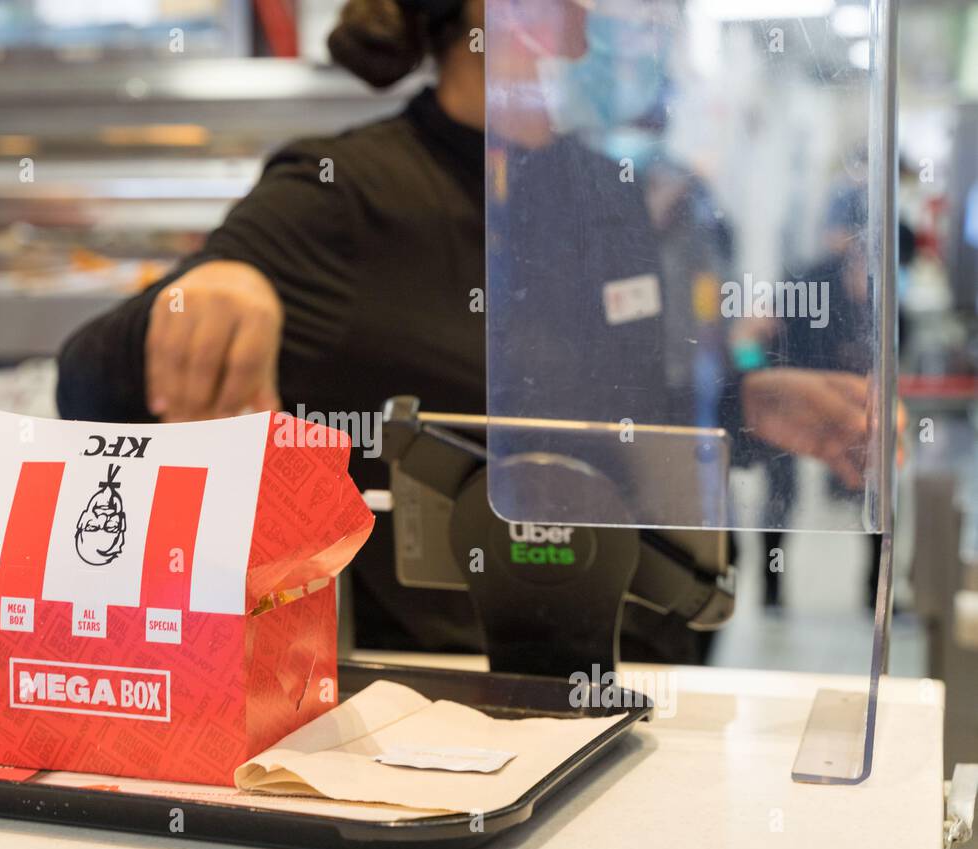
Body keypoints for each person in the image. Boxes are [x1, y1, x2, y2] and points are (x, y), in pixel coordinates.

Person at [57, 0, 879, 661]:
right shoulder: (345, 195)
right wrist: (210, 291)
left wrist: (741, 404)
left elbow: (602, 411)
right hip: (438, 696)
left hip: (633, 668)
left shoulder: (607, 196)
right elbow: (90, 384)